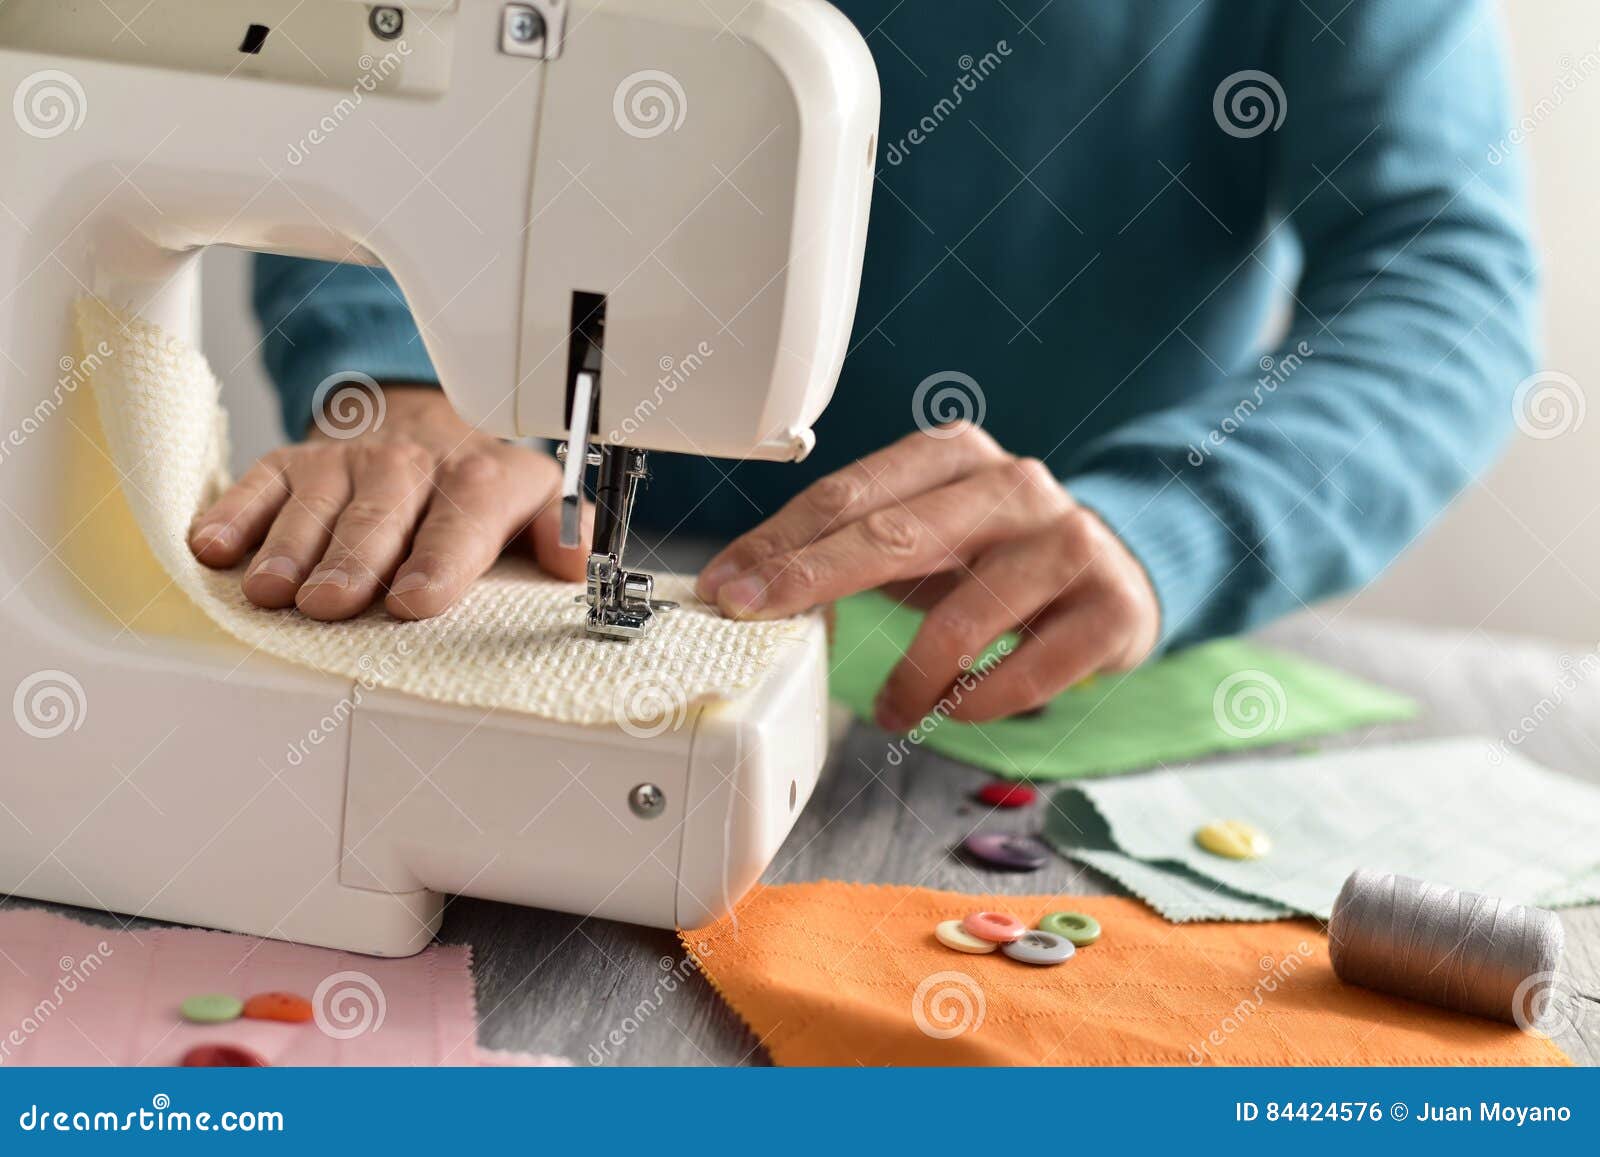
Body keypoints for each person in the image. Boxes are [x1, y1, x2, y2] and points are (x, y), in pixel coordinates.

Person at [188, 0, 1536, 730]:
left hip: (1031, 641)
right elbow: (370, 72)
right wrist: (400, 382)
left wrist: (1173, 522)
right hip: (521, 557)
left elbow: (1440, 274)